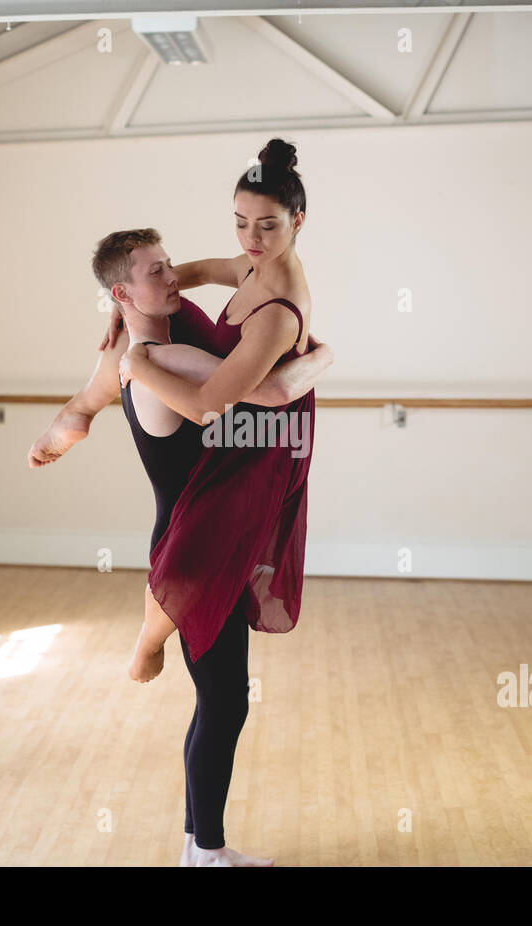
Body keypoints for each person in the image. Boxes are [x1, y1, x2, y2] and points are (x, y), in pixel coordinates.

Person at [28, 224, 331, 865]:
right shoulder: (161, 358)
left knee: (218, 699)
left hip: (196, 537)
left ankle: (202, 846)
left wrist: (50, 442)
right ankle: (205, 853)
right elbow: (275, 390)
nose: (172, 277)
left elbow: (82, 406)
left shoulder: (134, 350)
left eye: (169, 264)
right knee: (224, 702)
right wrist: (326, 356)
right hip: (195, 550)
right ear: (122, 291)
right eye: (156, 272)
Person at [115, 138, 315, 685]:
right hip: (244, 414)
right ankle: (150, 640)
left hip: (261, 441)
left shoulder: (277, 310)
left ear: (298, 220)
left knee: (196, 546)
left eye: (268, 225)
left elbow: (207, 408)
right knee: (187, 538)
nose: (251, 238)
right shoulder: (252, 266)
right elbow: (202, 268)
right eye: (240, 221)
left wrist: (140, 362)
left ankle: (148, 642)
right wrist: (136, 297)